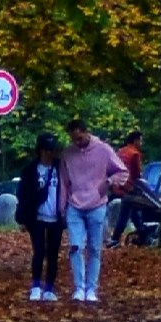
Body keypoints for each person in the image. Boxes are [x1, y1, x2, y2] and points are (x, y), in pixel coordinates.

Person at [61, 123, 126, 302]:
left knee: (94, 249)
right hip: (74, 205)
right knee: (75, 247)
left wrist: (110, 182)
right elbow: (64, 182)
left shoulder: (104, 150)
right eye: (73, 139)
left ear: (86, 132)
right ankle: (79, 287)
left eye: (79, 138)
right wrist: (62, 208)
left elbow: (122, 171)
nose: (77, 142)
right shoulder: (68, 154)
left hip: (97, 205)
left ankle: (92, 289)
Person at [14, 132, 65, 303]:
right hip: (36, 218)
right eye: (45, 150)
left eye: (51, 150)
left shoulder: (60, 168)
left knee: (53, 253)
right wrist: (21, 219)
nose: (49, 154)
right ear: (40, 151)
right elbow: (23, 195)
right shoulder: (30, 170)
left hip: (55, 217)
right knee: (39, 251)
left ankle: (49, 287)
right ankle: (36, 286)